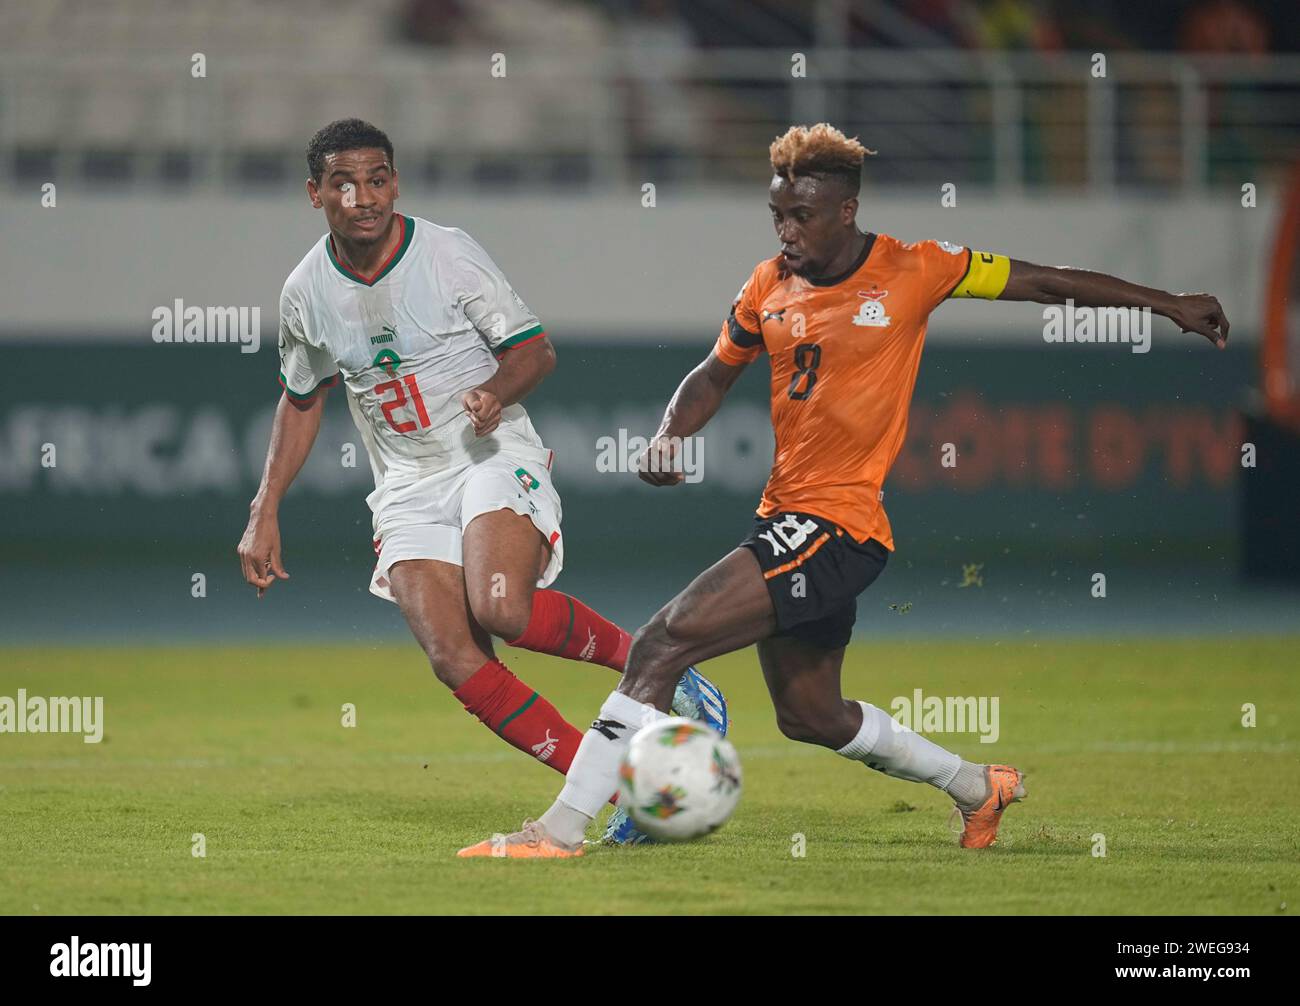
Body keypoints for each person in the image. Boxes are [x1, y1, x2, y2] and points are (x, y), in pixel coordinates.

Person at [459, 122, 1229, 858]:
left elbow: (1042, 281)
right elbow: (714, 372)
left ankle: (558, 832)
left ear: (847, 211)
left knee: (661, 644)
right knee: (810, 714)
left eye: (801, 216)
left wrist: (1164, 303)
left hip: (837, 524)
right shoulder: (767, 284)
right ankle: (976, 786)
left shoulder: (915, 268)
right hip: (792, 518)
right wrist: (670, 433)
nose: (785, 231)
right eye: (776, 215)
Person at [237, 119, 727, 846]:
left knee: (501, 606)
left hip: (487, 452)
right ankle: (611, 783)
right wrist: (264, 507)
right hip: (403, 482)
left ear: (395, 183)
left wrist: (496, 390)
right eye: (343, 182)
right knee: (452, 656)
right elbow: (302, 397)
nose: (363, 196)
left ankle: (660, 663)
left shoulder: (447, 254)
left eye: (376, 179)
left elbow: (536, 351)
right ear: (316, 194)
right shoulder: (305, 291)